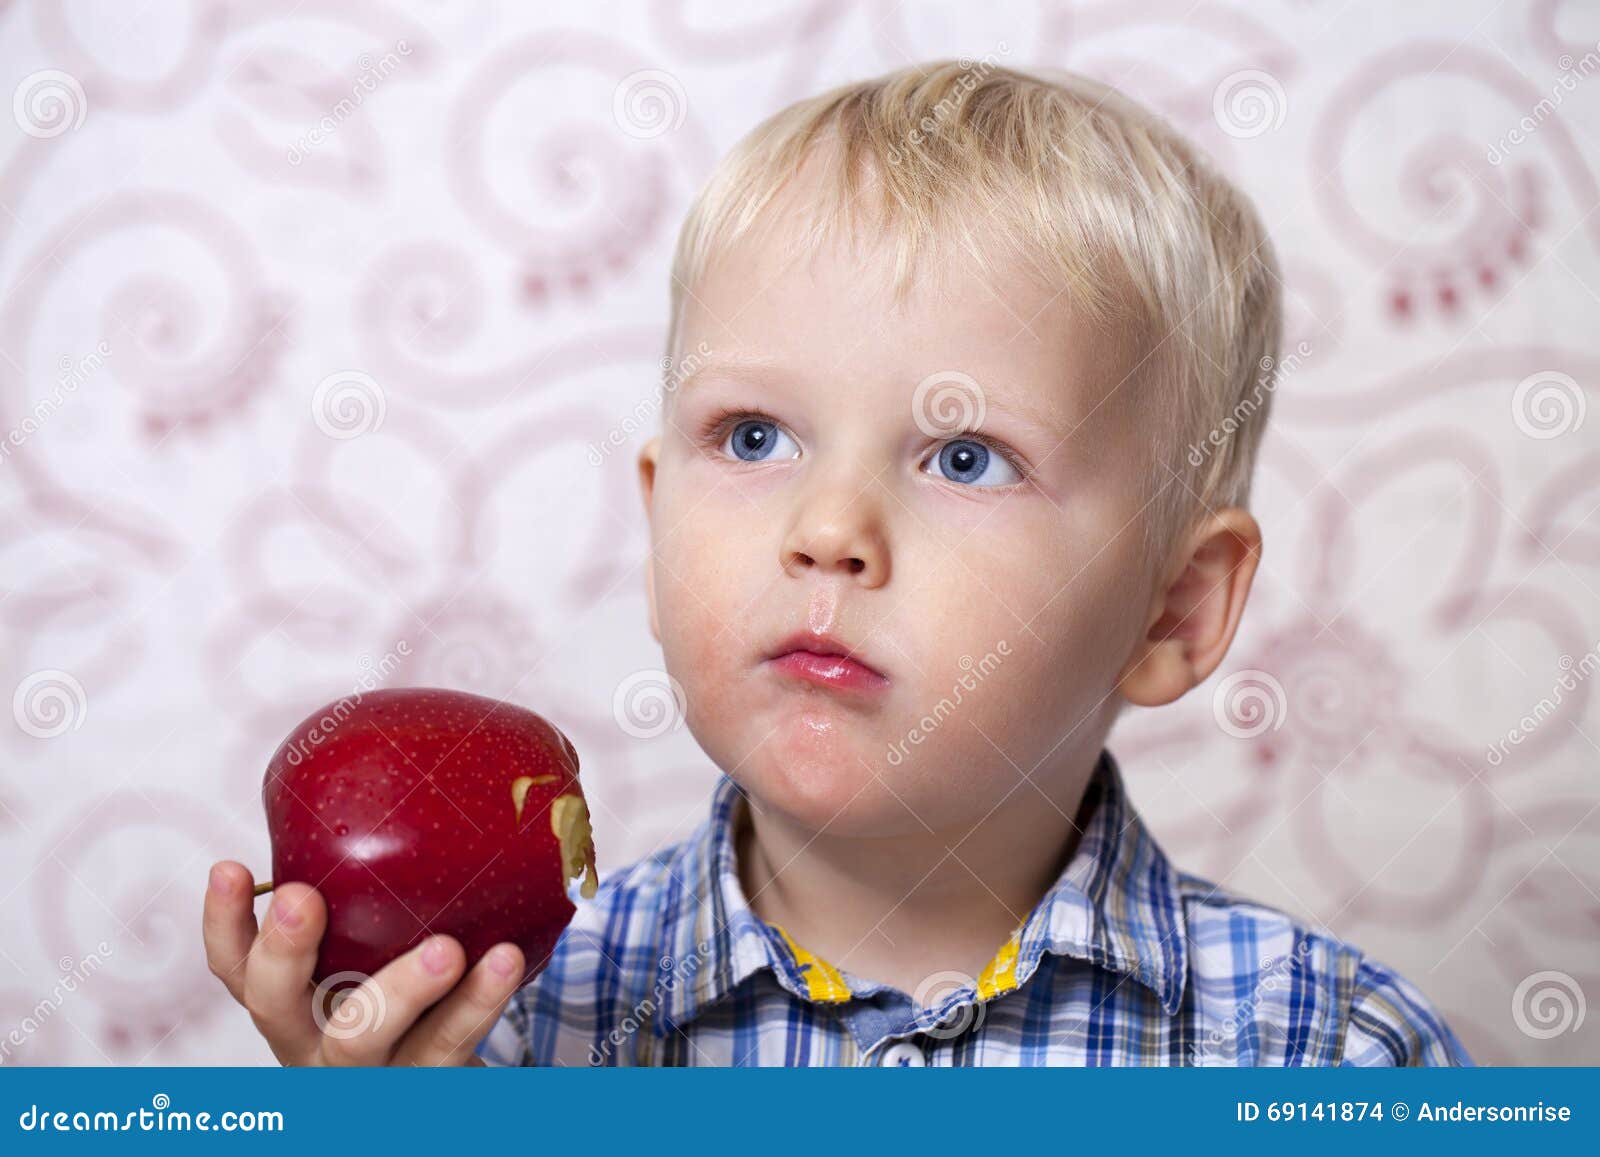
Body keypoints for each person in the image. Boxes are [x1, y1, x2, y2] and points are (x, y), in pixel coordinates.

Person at [203, 60, 1471, 1067]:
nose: (827, 529)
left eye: (965, 456)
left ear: (1174, 609)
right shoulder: (503, 1031)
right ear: (654, 528)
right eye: (753, 437)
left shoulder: (1330, 1055)